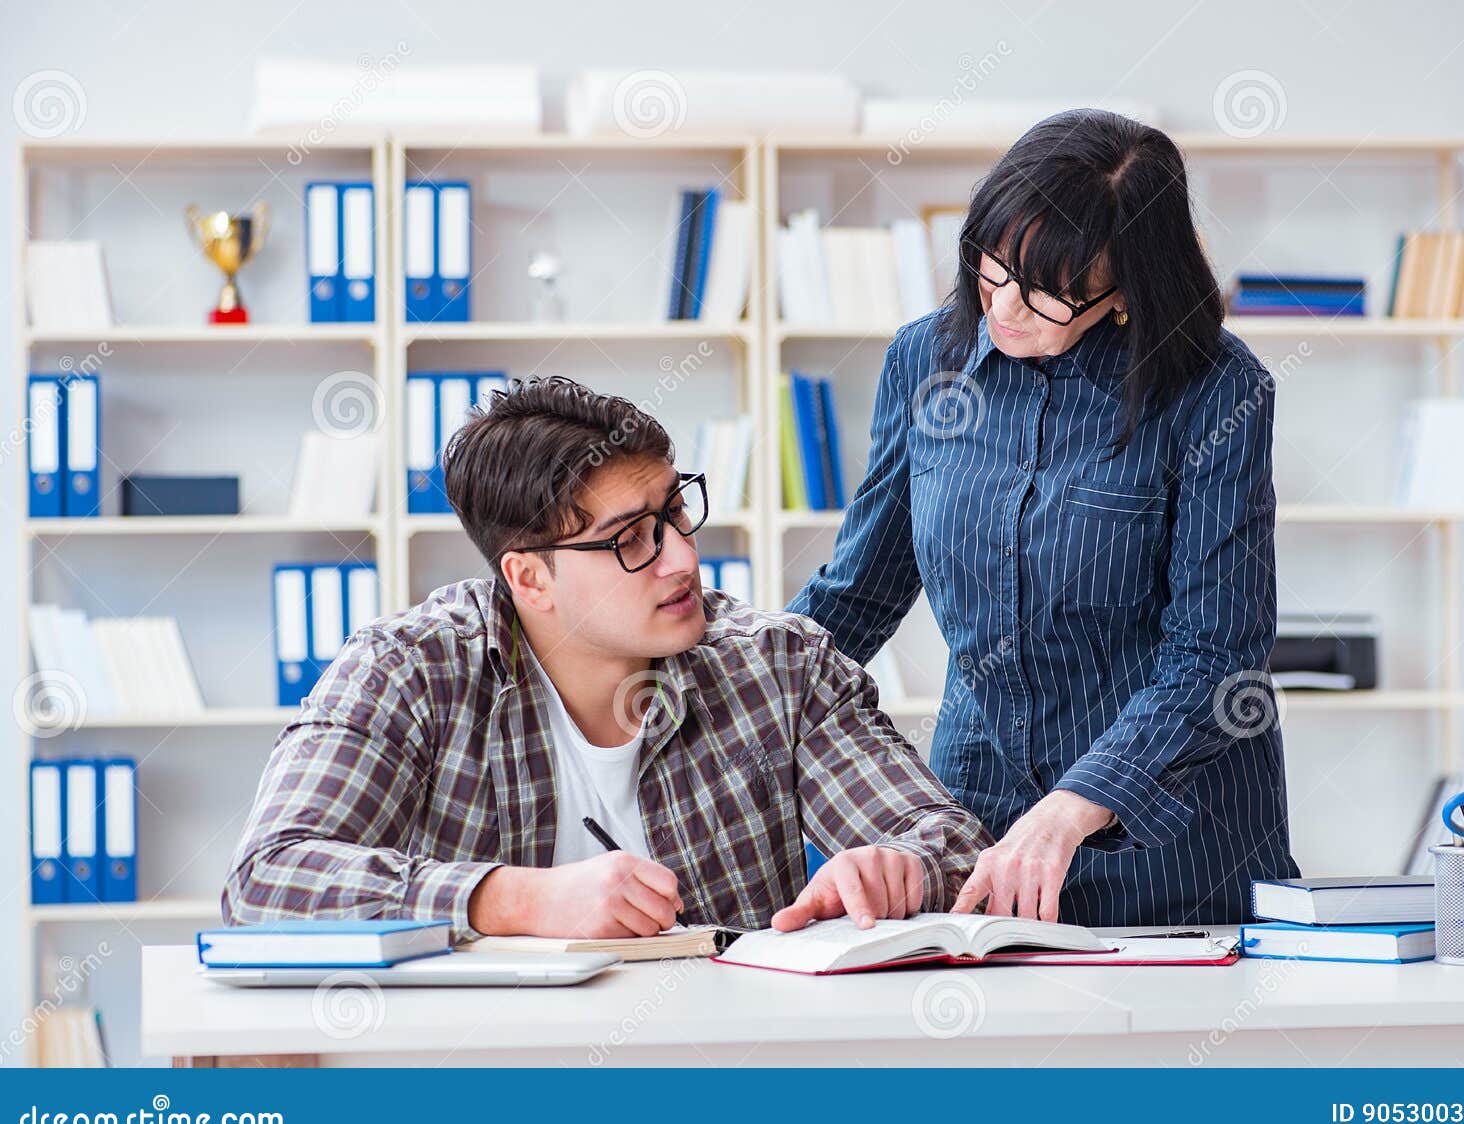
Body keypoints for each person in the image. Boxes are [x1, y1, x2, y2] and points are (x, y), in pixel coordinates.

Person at [223, 377, 989, 939]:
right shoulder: (409, 670)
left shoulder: (780, 665)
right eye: (629, 540)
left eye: (675, 512)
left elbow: (952, 843)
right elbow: (267, 879)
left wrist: (902, 868)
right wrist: (514, 899)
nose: (682, 558)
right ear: (528, 576)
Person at [788, 108, 1298, 926]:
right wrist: (731, 699)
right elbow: (859, 592)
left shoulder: (1217, 390)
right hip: (978, 834)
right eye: (993, 265)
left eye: (1048, 292)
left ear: (1127, 289)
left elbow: (1217, 651)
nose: (1006, 306)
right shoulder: (927, 359)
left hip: (1173, 854)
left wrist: (1075, 805)